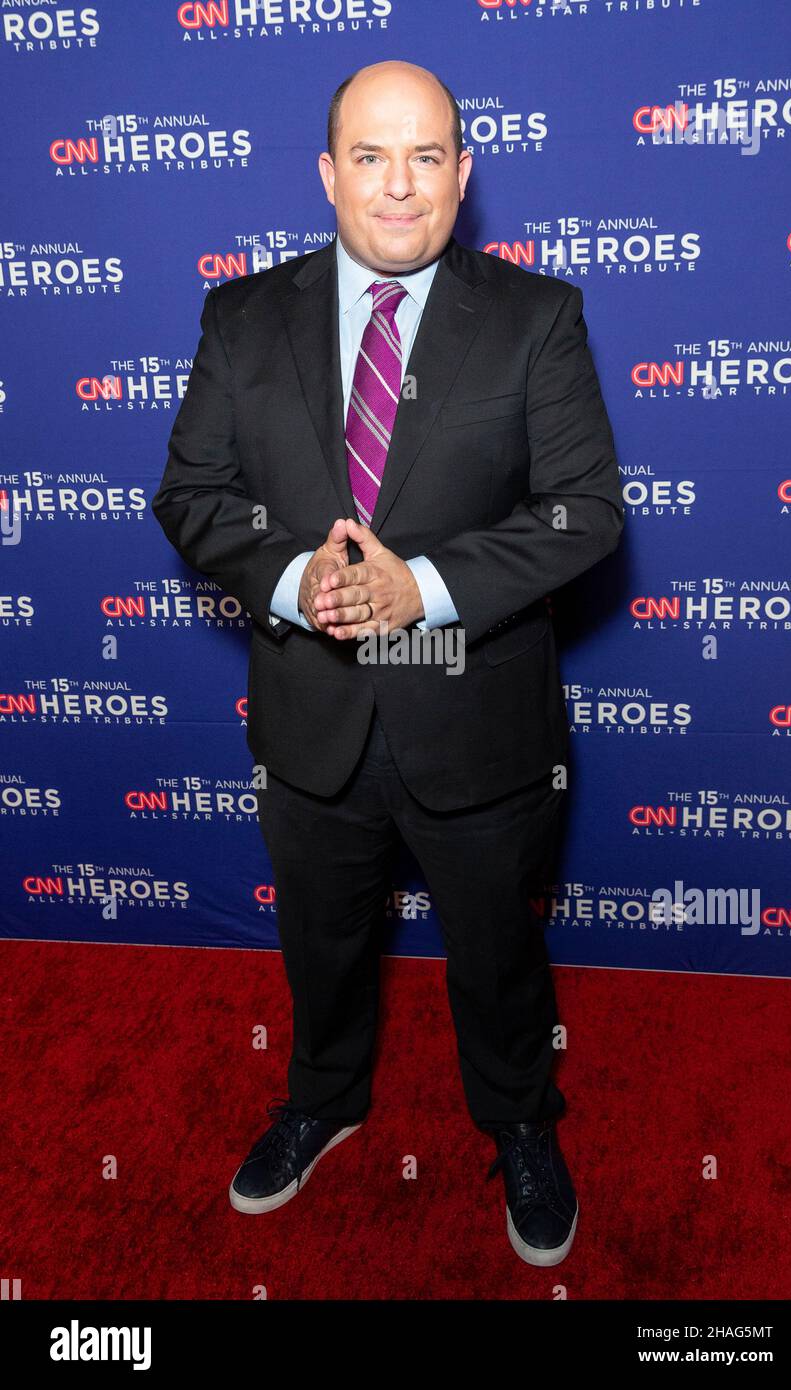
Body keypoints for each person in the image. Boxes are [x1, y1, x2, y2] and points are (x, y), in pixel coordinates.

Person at [151, 59, 624, 1267]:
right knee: (319, 939)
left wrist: (421, 584)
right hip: (309, 716)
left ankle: (519, 1119)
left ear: (464, 177)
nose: (399, 185)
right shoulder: (240, 316)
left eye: (426, 156)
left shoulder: (538, 317)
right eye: (370, 155)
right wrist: (294, 580)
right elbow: (192, 493)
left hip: (479, 723)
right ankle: (323, 1097)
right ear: (327, 173)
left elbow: (584, 513)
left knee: (497, 952)